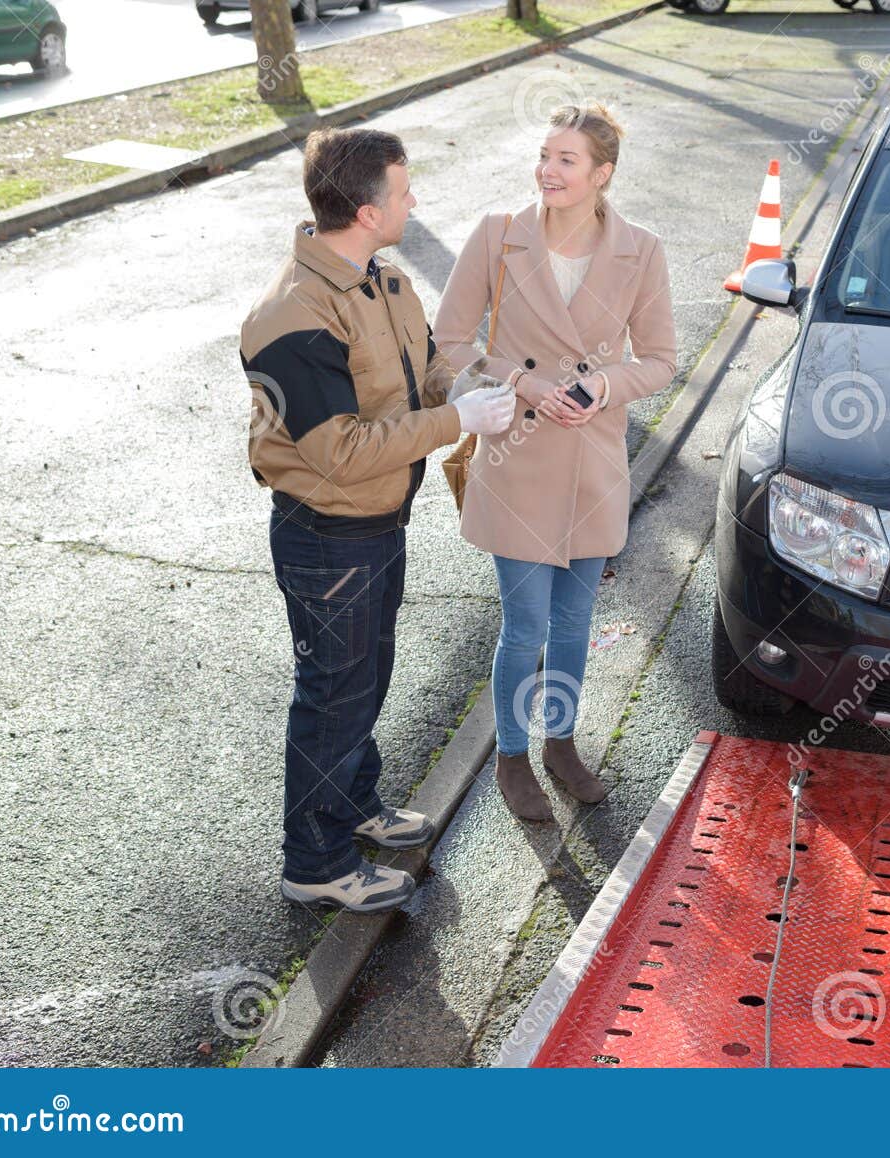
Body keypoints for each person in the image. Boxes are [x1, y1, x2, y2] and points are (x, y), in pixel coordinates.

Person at [241, 127, 515, 911]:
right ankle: (315, 861)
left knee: (364, 679)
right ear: (367, 209)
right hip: (327, 531)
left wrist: (480, 382)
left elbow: (420, 371)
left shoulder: (383, 280)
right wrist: (459, 419)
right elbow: (341, 452)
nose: (413, 200)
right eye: (403, 190)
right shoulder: (291, 313)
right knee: (332, 692)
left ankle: (354, 805)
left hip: (376, 521)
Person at [434, 103, 677, 822]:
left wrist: (603, 385)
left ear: (602, 174)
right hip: (518, 458)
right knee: (527, 626)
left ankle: (561, 744)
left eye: (567, 160)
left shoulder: (642, 249)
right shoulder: (497, 236)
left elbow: (661, 360)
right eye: (544, 155)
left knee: (574, 625)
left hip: (593, 459)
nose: (548, 170)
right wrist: (524, 381)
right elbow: (449, 340)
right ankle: (512, 755)